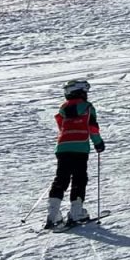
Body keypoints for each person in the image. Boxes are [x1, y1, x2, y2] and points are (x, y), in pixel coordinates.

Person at [48, 79, 104, 227]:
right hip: (80, 148)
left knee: (61, 178)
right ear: (81, 92)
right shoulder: (87, 107)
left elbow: (62, 127)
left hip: (62, 148)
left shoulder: (63, 108)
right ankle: (76, 212)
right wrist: (98, 143)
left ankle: (52, 215)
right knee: (79, 178)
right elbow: (92, 127)